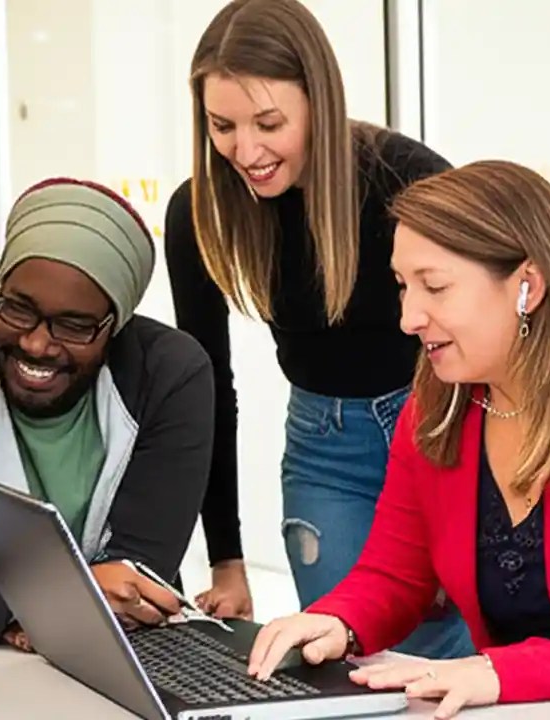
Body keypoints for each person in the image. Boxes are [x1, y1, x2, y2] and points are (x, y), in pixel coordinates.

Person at [246, 160, 550, 720]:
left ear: (526, 285)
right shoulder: (439, 407)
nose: (408, 317)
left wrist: (504, 672)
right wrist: (337, 620)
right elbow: (394, 574)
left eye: (435, 287)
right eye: (403, 287)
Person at [163, 0, 472, 657]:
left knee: (449, 661)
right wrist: (226, 559)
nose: (246, 151)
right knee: (349, 661)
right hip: (324, 452)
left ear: (317, 101)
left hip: (440, 431)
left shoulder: (406, 180)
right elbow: (209, 387)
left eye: (269, 123)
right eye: (222, 126)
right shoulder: (201, 213)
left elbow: (488, 345)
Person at [0, 178, 213, 650]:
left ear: (115, 325)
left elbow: (141, 573)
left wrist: (25, 606)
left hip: (128, 652)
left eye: (74, 325)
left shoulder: (171, 376)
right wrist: (42, 607)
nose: (36, 343)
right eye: (17, 309)